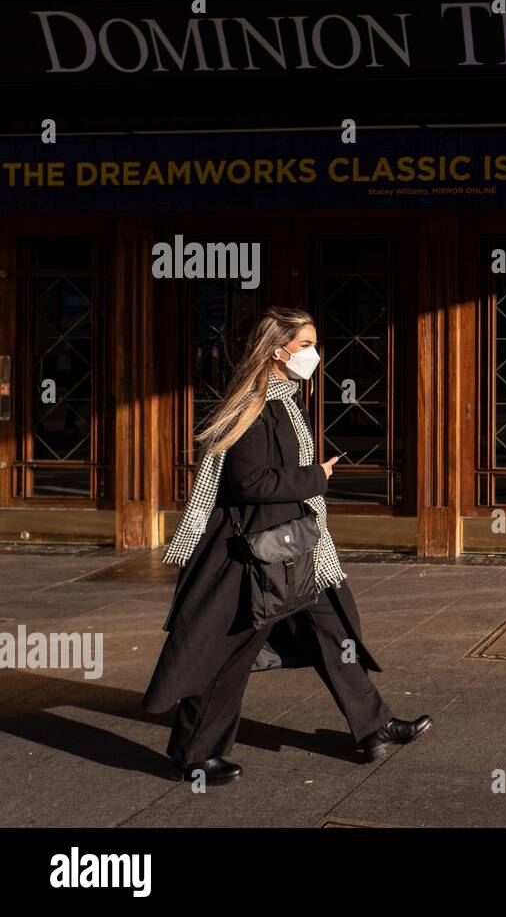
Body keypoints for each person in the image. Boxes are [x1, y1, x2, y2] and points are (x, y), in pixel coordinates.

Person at [142, 306, 429, 785]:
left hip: (295, 549)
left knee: (334, 635)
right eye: (304, 346)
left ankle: (375, 728)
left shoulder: (284, 400)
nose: (314, 354)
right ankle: (194, 752)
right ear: (277, 351)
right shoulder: (252, 405)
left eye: (314, 345)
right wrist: (317, 476)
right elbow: (250, 480)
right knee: (229, 653)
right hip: (256, 558)